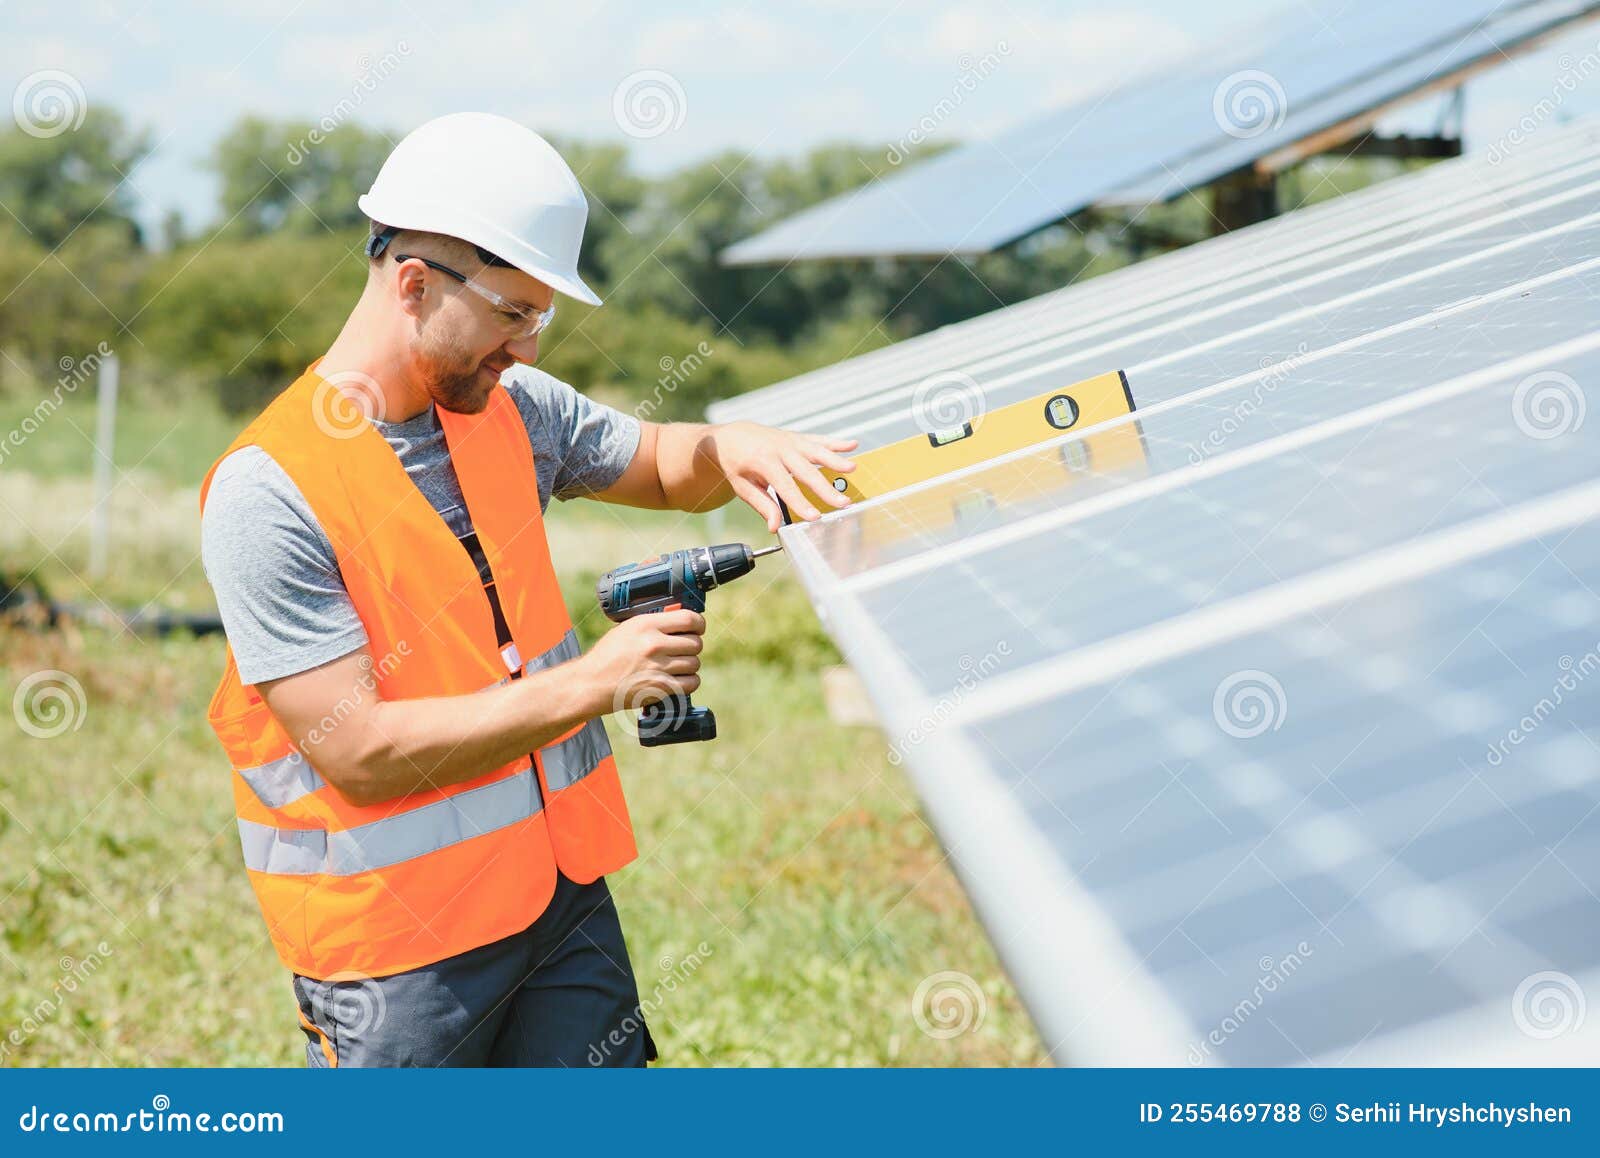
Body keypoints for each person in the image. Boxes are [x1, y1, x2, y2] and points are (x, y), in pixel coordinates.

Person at [198, 111, 855, 1067]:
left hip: (558, 905)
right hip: (400, 962)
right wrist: (599, 681)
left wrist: (735, 445)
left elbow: (667, 467)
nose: (530, 349)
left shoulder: (514, 410)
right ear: (414, 283)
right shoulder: (271, 488)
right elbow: (360, 752)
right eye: (514, 314)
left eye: (541, 316)